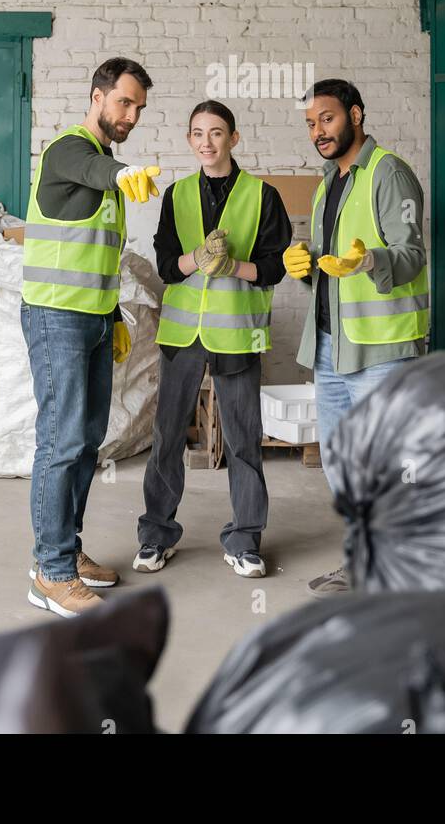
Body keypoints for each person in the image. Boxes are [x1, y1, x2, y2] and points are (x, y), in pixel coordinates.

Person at [23, 57, 160, 617]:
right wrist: (124, 173)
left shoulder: (102, 162)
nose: (131, 115)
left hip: (93, 320)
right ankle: (50, 573)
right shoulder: (69, 150)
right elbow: (94, 169)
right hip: (57, 318)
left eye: (139, 109)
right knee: (60, 442)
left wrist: (113, 320)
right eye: (124, 102)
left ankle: (67, 551)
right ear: (98, 95)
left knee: (86, 439)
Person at [283, 78, 428, 596]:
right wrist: (302, 268)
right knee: (340, 462)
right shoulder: (327, 183)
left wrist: (370, 259)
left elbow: (412, 255)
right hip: (330, 345)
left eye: (327, 118)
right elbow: (331, 269)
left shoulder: (388, 173)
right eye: (310, 123)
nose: (318, 131)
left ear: (356, 115)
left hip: (382, 348)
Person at [134, 100, 291, 579]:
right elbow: (165, 266)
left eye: (217, 132)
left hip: (236, 335)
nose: (207, 142)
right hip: (183, 335)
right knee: (166, 438)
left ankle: (245, 540)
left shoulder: (262, 195)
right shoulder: (176, 195)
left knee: (243, 440)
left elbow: (275, 267)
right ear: (189, 140)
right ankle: (156, 535)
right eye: (198, 133)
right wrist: (196, 258)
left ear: (234, 139)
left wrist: (232, 267)